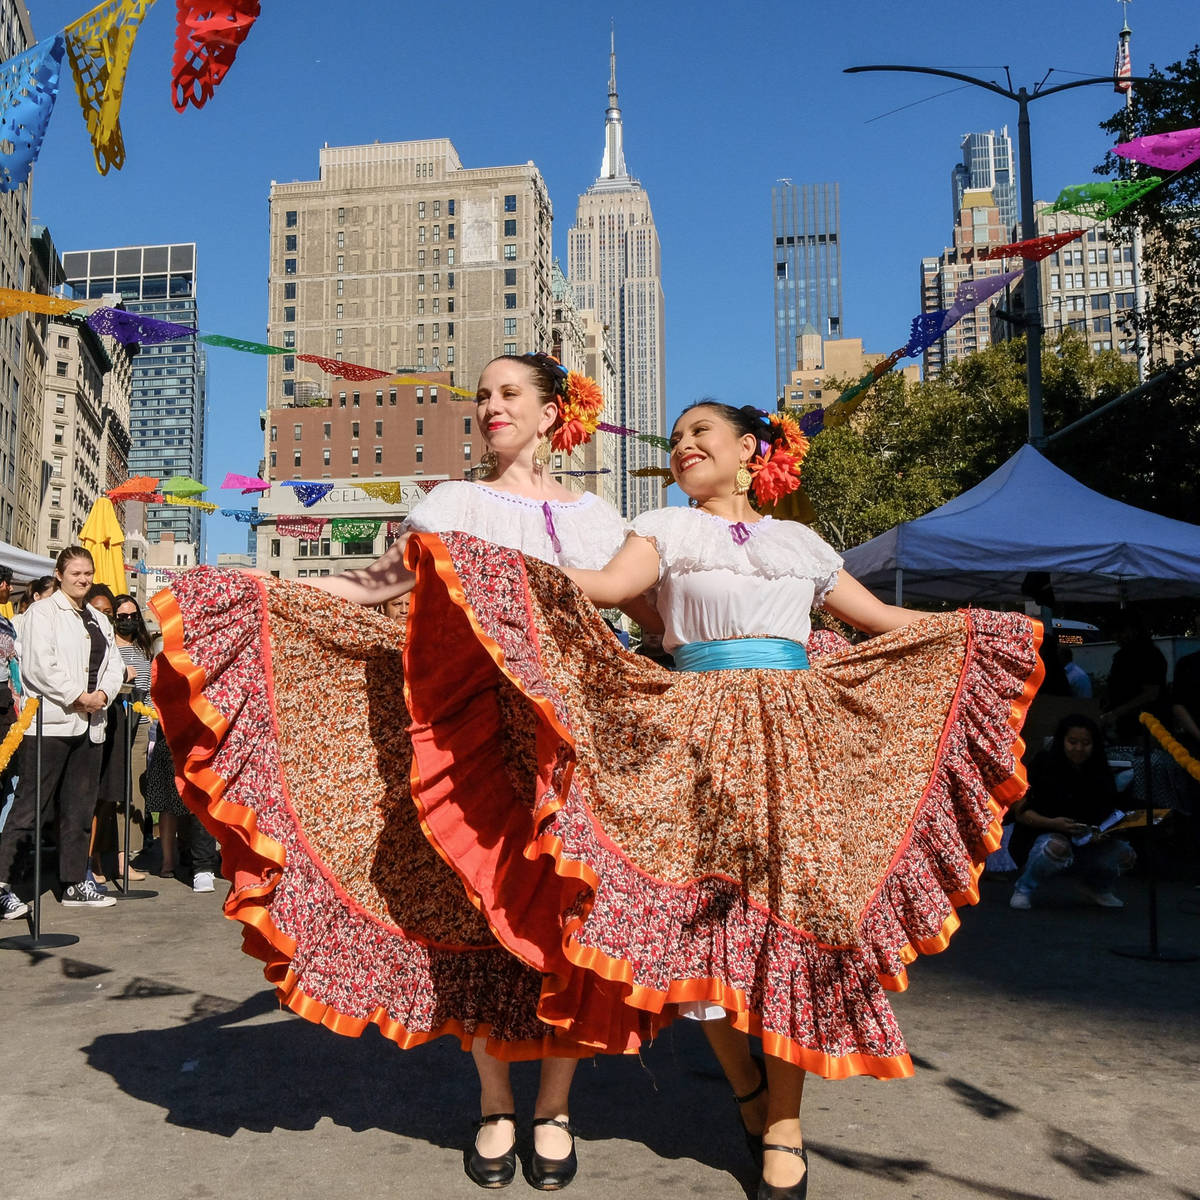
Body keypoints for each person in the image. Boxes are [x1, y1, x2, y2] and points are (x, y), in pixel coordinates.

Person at [395, 401, 1042, 1200]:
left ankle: (785, 1123)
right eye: (673, 439)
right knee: (707, 936)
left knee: (801, 927)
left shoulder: (800, 543)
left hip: (797, 744)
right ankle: (746, 1091)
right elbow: (600, 587)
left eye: (699, 433)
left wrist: (996, 630)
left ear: (749, 450)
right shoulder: (663, 527)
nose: (682, 447)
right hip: (695, 740)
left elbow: (881, 621)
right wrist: (491, 560)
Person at [151, 354, 648, 1191]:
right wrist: (263, 589)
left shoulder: (599, 516)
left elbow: (646, 613)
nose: (491, 406)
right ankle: (496, 1106)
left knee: (569, 920)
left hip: (570, 746)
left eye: (508, 394)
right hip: (473, 736)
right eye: (483, 395)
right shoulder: (452, 503)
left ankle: (555, 1111)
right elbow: (375, 584)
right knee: (479, 914)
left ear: (552, 409)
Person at [0, 547, 125, 917]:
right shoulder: (42, 613)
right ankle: (3, 883)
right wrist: (78, 696)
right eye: (76, 573)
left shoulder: (98, 619)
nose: (83, 580)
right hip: (52, 724)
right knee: (29, 807)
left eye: (88, 573)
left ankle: (74, 881)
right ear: (59, 574)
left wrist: (102, 694)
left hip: (91, 724)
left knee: (79, 808)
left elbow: (115, 663)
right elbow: (40, 666)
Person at [1008, 714, 1135, 909]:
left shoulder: (1099, 769)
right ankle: (1024, 888)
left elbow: (1109, 809)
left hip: (1088, 841)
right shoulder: (1044, 765)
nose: (1079, 749)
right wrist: (1052, 823)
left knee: (1126, 854)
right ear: (1062, 741)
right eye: (1072, 742)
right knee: (1055, 846)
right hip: (1043, 836)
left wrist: (1102, 832)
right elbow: (1021, 812)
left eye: (1086, 743)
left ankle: (1096, 888)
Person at [111, 594, 155, 876]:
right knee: (120, 788)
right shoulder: (110, 646)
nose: (128, 621)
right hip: (121, 718)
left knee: (137, 789)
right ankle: (117, 857)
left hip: (144, 723)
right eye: (122, 616)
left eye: (132, 616)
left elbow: (149, 687)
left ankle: (129, 853)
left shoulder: (141, 647)